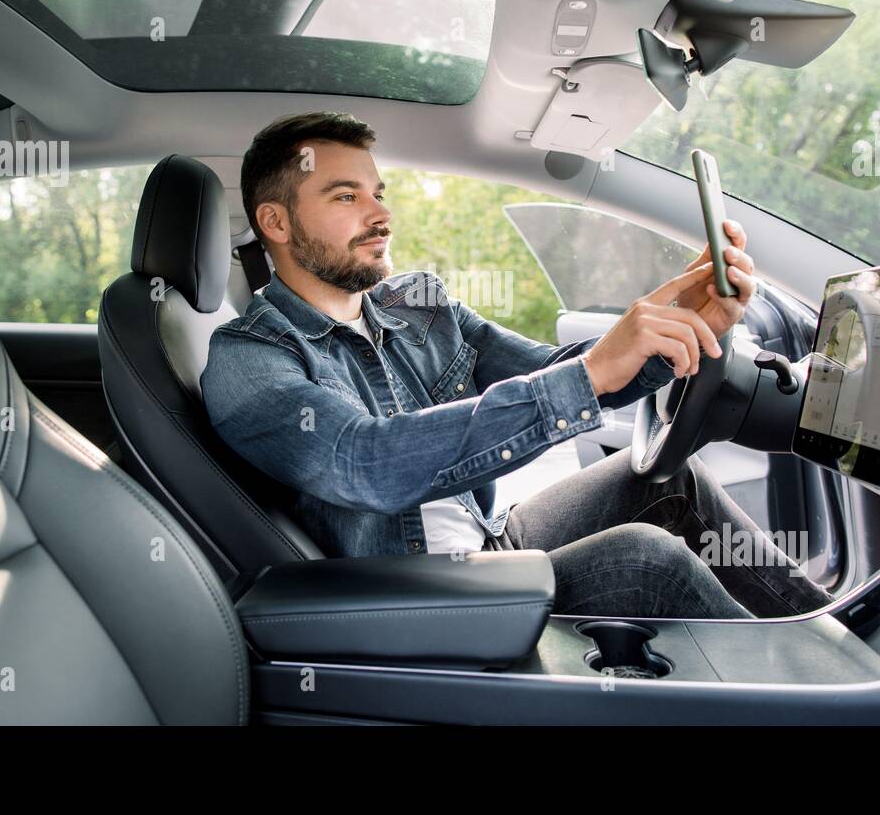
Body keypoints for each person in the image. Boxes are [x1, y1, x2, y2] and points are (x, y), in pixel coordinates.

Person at [201, 112, 833, 618]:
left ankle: (838, 653)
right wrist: (589, 375)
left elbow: (553, 369)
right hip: (411, 595)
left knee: (669, 482)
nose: (381, 215)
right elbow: (365, 464)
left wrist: (668, 329)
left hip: (486, 542)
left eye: (379, 193)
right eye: (346, 196)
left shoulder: (415, 303)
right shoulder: (249, 359)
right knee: (644, 559)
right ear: (276, 222)